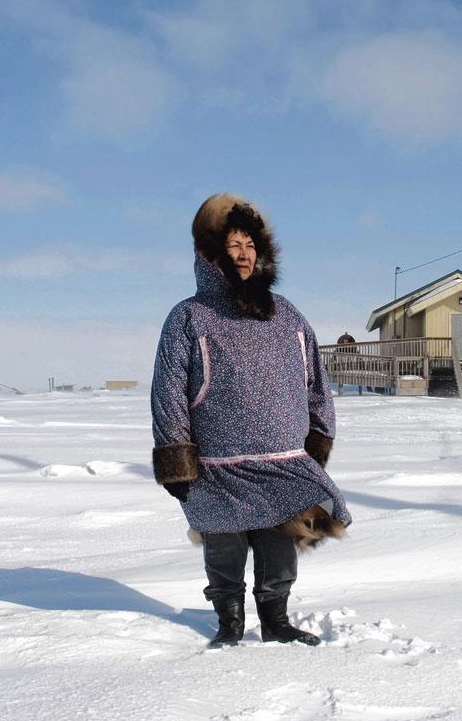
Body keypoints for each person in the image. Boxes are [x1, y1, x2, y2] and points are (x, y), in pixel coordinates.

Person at [150, 192, 352, 648]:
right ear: (211, 252)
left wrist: (318, 441)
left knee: (281, 547)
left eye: (250, 245)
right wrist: (177, 460)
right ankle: (230, 624)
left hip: (282, 458)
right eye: (233, 244)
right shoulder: (187, 317)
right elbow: (168, 393)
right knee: (224, 546)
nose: (243, 255)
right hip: (218, 464)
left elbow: (315, 382)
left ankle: (277, 621)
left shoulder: (286, 314)